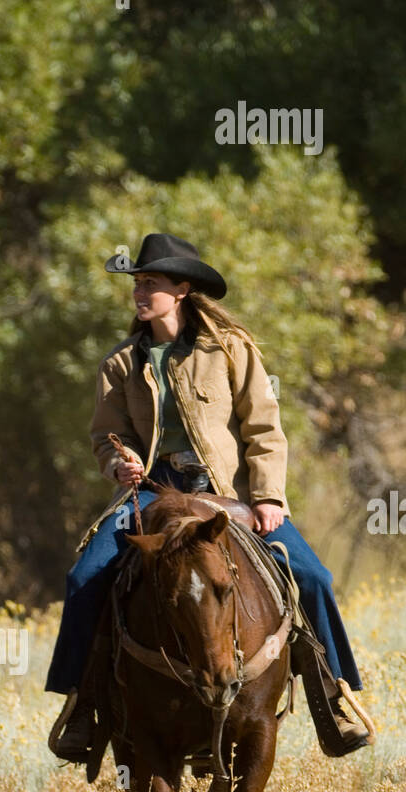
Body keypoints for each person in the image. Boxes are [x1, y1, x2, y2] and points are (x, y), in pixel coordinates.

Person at [48, 232, 372, 761]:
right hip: (151, 499)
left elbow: (264, 429)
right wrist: (119, 460)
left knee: (313, 576)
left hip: (230, 496)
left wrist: (268, 497)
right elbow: (107, 436)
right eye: (137, 282)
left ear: (181, 288)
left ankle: (331, 698)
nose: (140, 291)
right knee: (84, 577)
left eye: (150, 282)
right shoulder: (120, 364)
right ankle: (83, 705)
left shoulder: (229, 350)